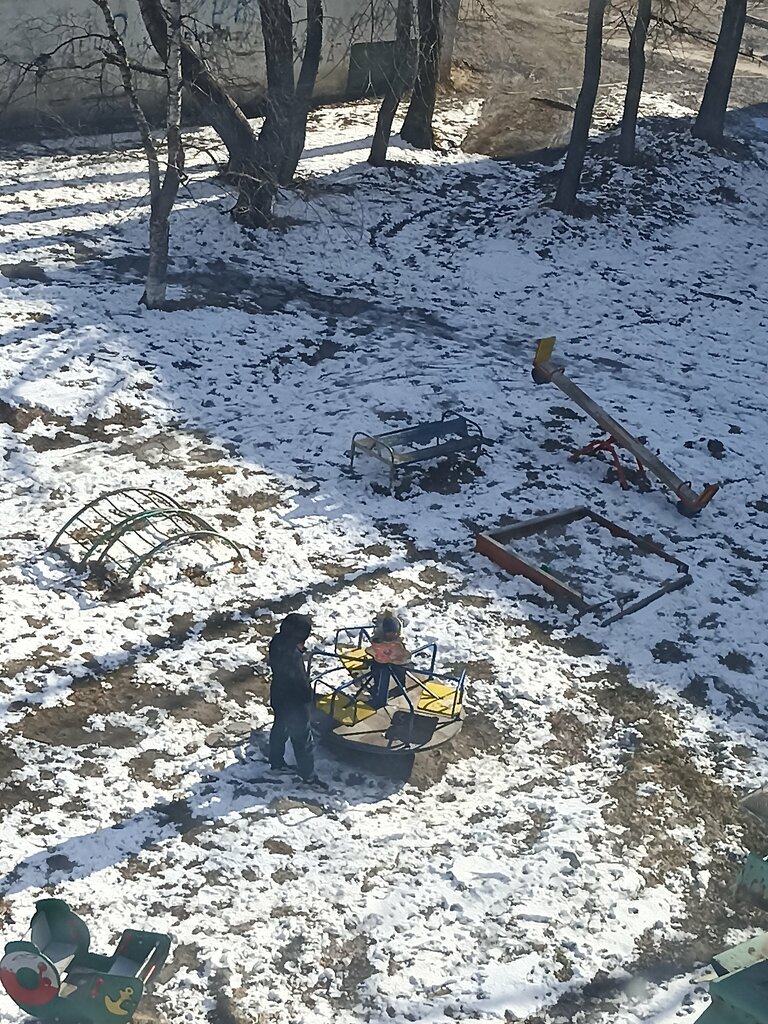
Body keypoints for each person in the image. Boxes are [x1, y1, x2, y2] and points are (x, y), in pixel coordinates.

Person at [267, 613, 326, 788]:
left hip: (279, 695)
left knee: (279, 729)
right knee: (303, 740)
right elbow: (298, 680)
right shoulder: (291, 656)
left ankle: (276, 763)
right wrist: (308, 698)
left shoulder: (278, 641)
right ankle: (309, 777)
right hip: (294, 703)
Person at [365, 609, 411, 709]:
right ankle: (377, 687)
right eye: (388, 633)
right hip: (383, 655)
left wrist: (400, 652)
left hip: (396, 658)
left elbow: (406, 651)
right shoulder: (380, 632)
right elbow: (374, 640)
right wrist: (378, 643)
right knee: (376, 668)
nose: (391, 635)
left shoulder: (400, 637)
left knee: (399, 669)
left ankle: (400, 685)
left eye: (393, 633)